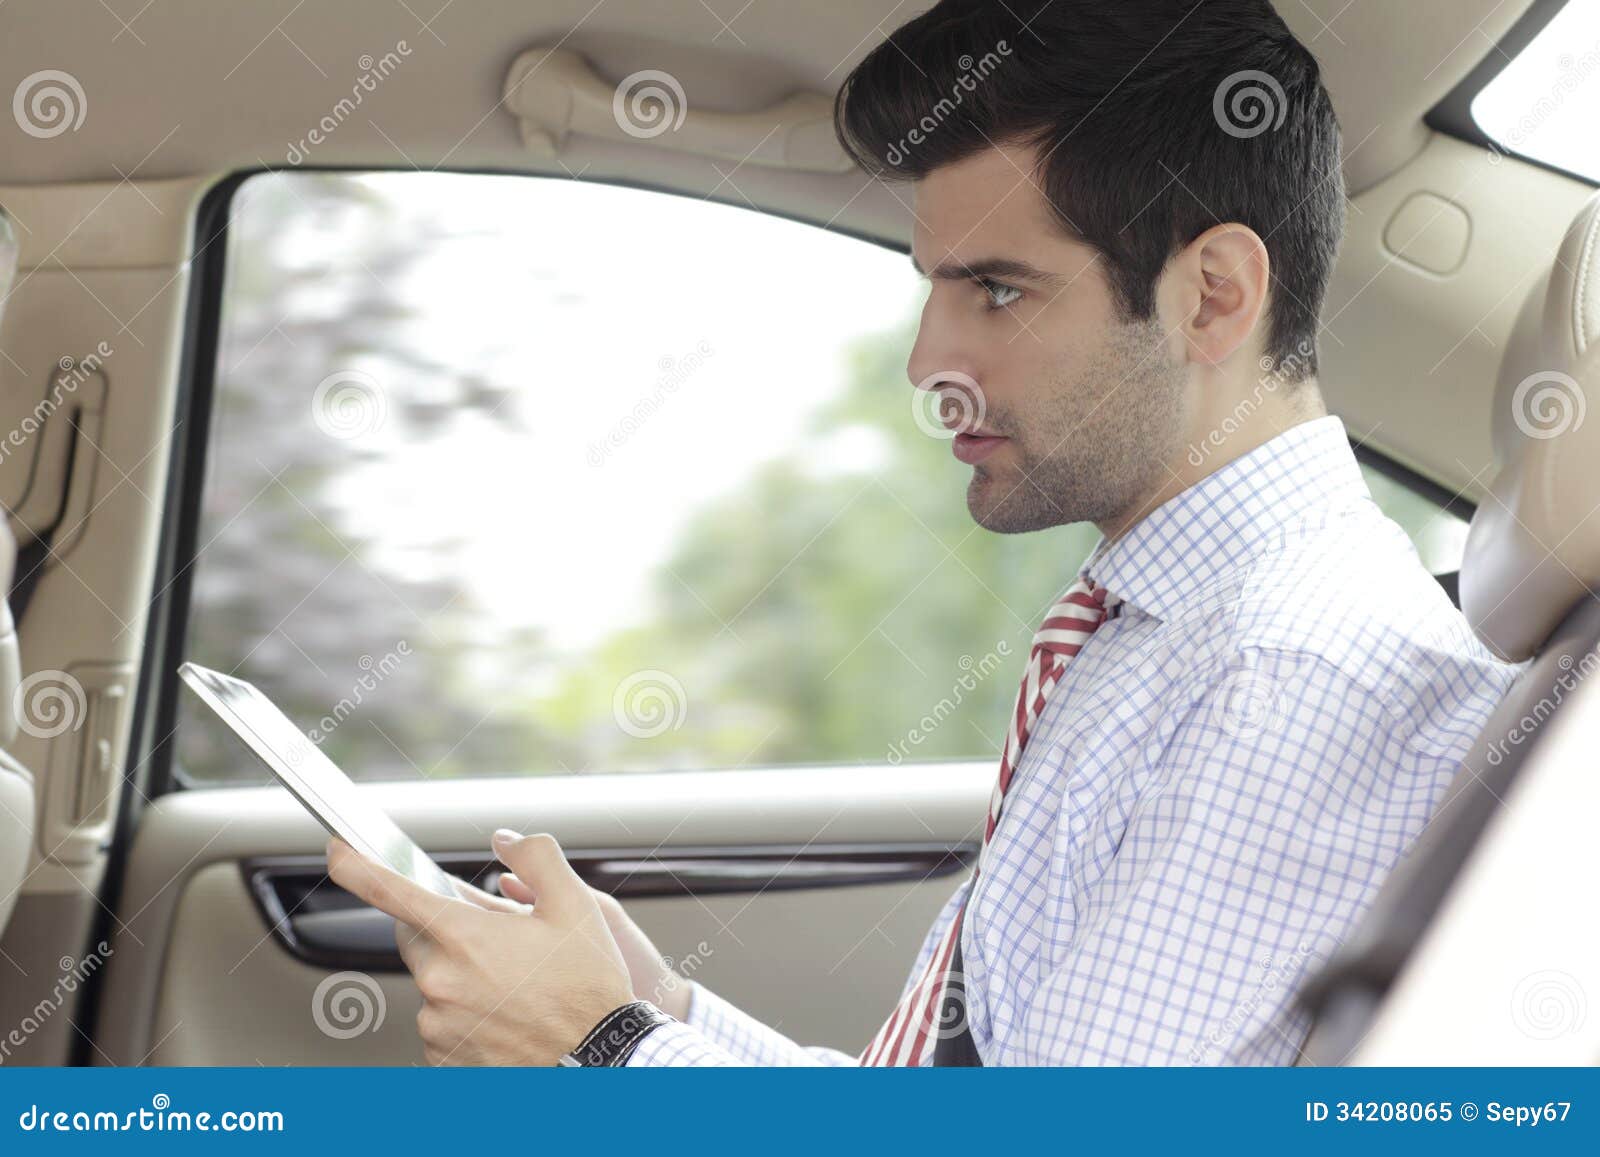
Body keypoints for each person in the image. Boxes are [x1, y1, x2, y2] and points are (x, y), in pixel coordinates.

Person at [327, 0, 1517, 1066]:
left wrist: (599, 1045)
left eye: (996, 289)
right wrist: (666, 1009)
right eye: (934, 286)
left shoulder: (1287, 674)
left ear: (1210, 295)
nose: (928, 361)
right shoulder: (1178, 629)